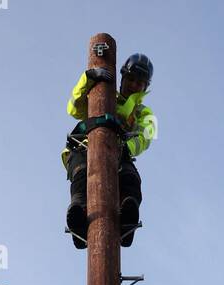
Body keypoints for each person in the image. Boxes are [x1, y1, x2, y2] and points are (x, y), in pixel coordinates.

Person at [62, 51, 155, 249]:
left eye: (140, 83)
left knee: (130, 177)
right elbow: (74, 108)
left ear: (145, 87)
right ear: (123, 76)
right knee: (82, 173)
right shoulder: (101, 92)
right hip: (83, 147)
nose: (134, 85)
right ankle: (79, 217)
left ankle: (127, 216)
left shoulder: (142, 112)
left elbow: (146, 136)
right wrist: (88, 78)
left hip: (120, 152)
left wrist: (126, 148)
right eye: (131, 79)